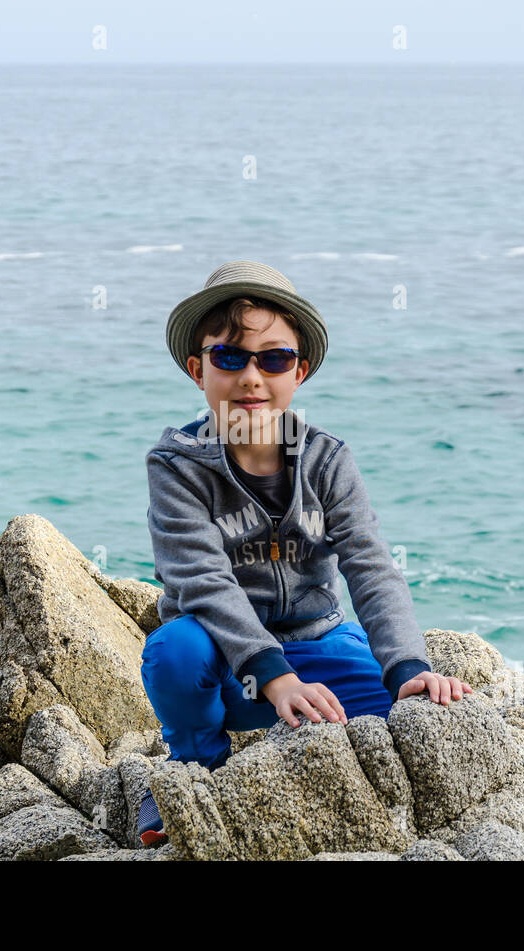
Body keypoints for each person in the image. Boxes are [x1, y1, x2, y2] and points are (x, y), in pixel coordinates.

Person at [136, 260, 470, 846]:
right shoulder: (177, 466)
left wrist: (409, 665)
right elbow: (202, 580)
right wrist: (272, 674)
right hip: (225, 666)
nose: (252, 379)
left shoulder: (327, 460)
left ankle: (327, 708)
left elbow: (370, 566)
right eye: (230, 357)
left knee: (409, 708)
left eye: (274, 359)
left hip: (316, 645)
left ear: (301, 370)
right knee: (173, 652)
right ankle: (191, 768)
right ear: (198, 369)